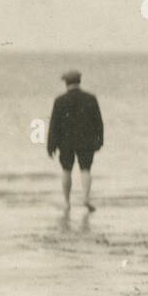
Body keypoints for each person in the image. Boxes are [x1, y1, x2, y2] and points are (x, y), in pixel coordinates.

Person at [46, 70, 103, 215]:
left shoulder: (60, 100)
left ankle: (67, 203)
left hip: (66, 141)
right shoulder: (91, 98)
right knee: (86, 169)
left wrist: (51, 144)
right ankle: (85, 198)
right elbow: (98, 122)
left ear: (66, 83)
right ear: (79, 81)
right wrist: (99, 140)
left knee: (66, 170)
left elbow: (54, 124)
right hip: (86, 140)